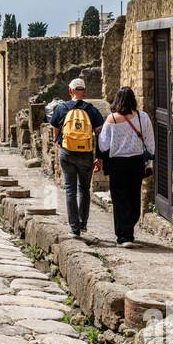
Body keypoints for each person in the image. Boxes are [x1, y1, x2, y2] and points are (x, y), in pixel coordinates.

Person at [98, 86, 154, 247]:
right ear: (133, 100)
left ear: (117, 100)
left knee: (119, 199)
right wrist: (149, 162)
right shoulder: (143, 117)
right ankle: (128, 231)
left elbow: (103, 145)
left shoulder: (111, 119)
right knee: (133, 197)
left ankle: (123, 236)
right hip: (136, 163)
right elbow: (150, 142)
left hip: (117, 164)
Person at [48, 77, 104, 237]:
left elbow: (55, 133)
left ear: (70, 91)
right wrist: (99, 157)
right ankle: (83, 223)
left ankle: (74, 228)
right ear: (84, 91)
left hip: (67, 153)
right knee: (84, 189)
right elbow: (100, 134)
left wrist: (60, 145)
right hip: (86, 154)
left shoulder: (61, 108)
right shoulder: (91, 110)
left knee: (70, 190)